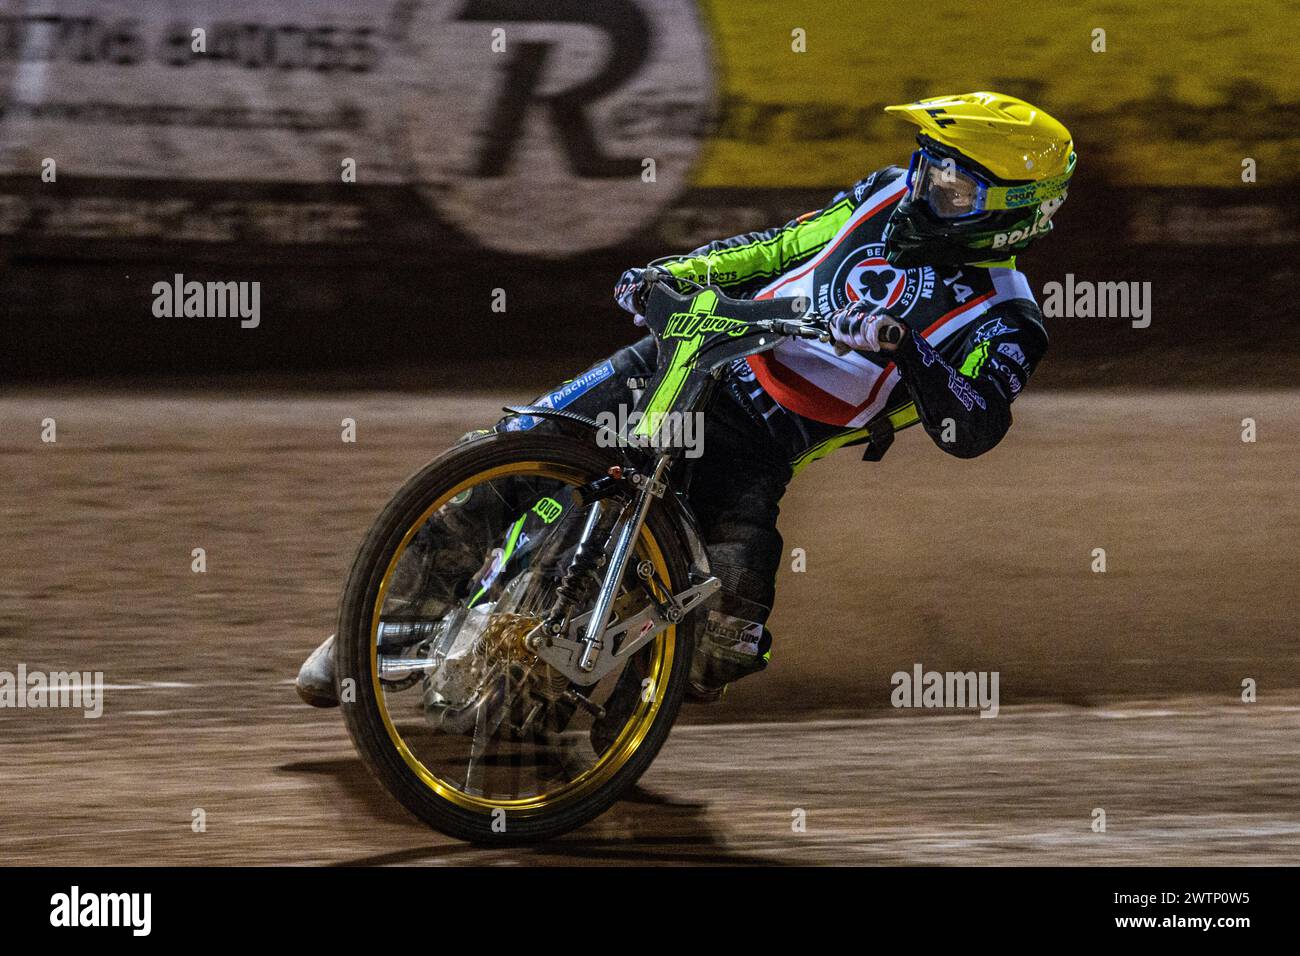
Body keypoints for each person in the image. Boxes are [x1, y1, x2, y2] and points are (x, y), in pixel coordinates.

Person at [297, 91, 1075, 707]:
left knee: (722, 642)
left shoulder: (1007, 318)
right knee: (509, 457)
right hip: (693, 355)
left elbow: (972, 428)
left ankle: (601, 698)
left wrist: (908, 348)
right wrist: (684, 271)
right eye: (926, 162)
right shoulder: (881, 197)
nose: (922, 185)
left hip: (764, 441)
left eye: (953, 181)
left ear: (1014, 206)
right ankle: (375, 628)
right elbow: (778, 248)